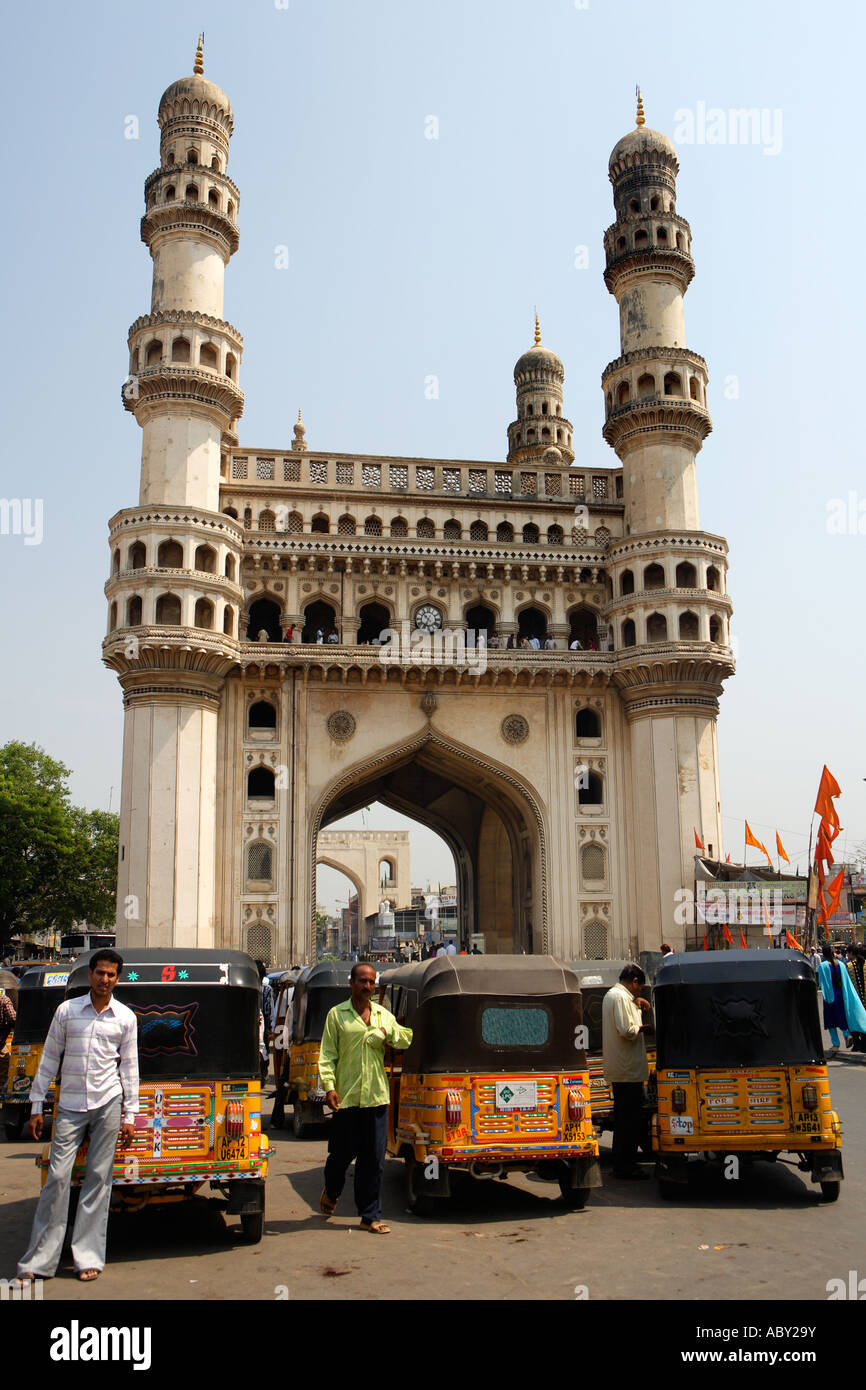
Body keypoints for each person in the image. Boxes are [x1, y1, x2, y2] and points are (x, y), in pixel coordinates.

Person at [15, 949, 138, 1285]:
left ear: (118, 978)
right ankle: (39, 1261)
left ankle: (88, 1256)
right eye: (100, 973)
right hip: (70, 1104)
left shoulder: (125, 1018)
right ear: (91, 975)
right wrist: (37, 1105)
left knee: (99, 1181)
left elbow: (129, 1069)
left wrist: (130, 1114)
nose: (105, 979)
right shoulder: (67, 1011)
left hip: (108, 1103)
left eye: (111, 974)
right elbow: (50, 1058)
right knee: (57, 1180)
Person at [318, 961, 412, 1233]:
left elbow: (405, 1038)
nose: (367, 987)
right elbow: (327, 1056)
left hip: (376, 1098)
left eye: (371, 982)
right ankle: (332, 1190)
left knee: (373, 1160)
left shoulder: (383, 1015)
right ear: (351, 983)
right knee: (341, 1155)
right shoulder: (337, 1016)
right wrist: (329, 1087)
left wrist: (387, 1031)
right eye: (362, 981)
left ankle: (370, 1215)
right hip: (347, 1098)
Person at [601, 963, 652, 1180]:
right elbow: (627, 1030)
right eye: (639, 989)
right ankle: (626, 1166)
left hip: (622, 1069)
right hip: (627, 1069)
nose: (639, 992)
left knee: (624, 1120)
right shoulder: (621, 998)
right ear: (634, 982)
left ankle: (622, 1163)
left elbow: (624, 1008)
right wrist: (645, 1028)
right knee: (629, 1121)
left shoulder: (613, 995)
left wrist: (636, 1001)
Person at [818, 943, 866, 1052]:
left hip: (830, 995)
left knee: (830, 1020)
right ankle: (846, 1034)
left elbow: (823, 983)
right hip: (841, 994)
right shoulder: (841, 964)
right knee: (841, 1016)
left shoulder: (823, 966)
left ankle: (835, 1044)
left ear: (823, 954)